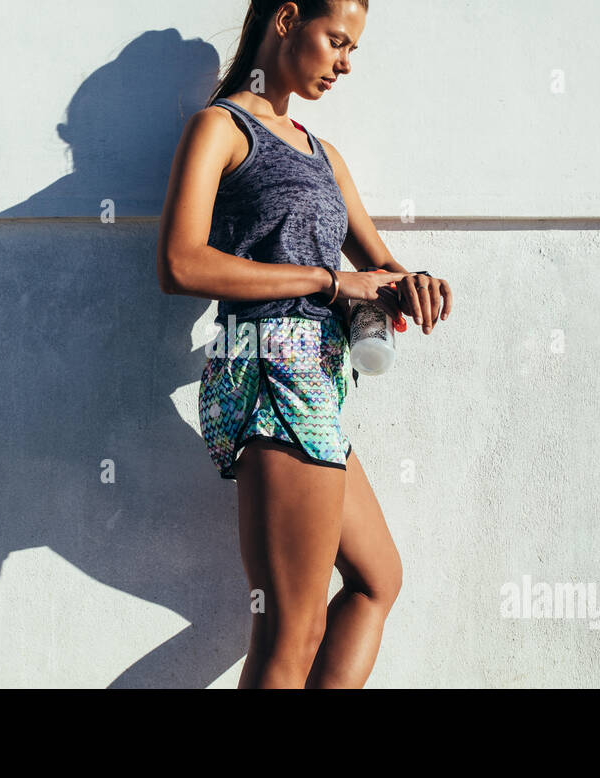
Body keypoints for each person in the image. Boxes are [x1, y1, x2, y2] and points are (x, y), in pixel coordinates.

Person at [156, 0, 453, 688]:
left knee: (377, 581)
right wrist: (332, 281)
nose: (346, 63)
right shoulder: (221, 128)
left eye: (353, 49)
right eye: (337, 41)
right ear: (287, 19)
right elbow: (179, 263)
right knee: (292, 631)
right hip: (267, 368)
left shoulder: (322, 153)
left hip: (319, 380)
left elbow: (383, 268)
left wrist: (416, 285)